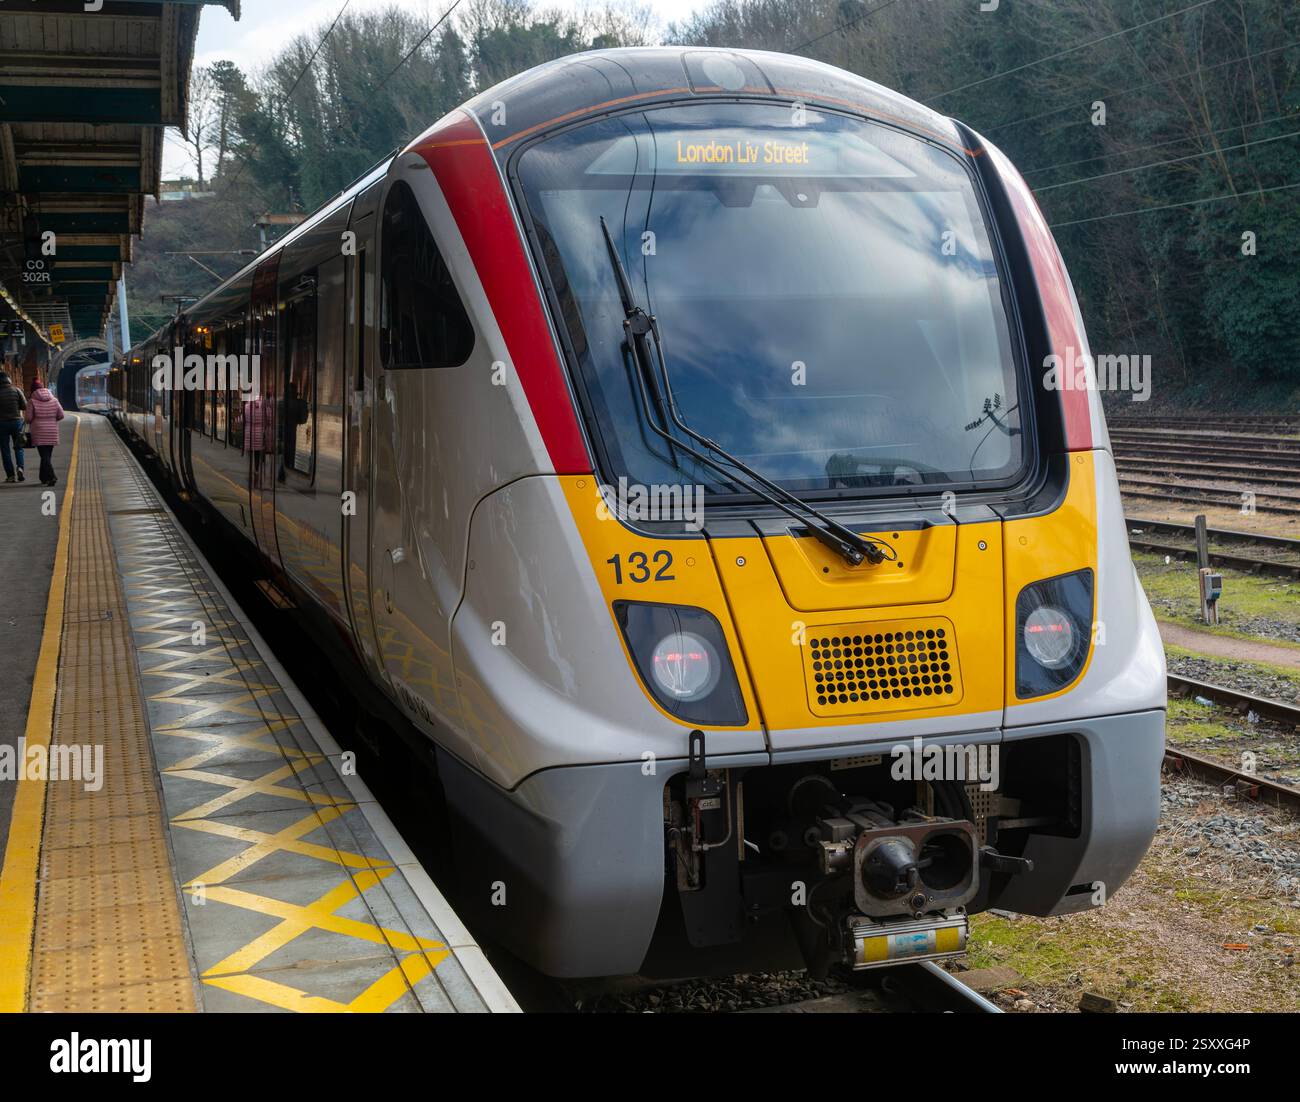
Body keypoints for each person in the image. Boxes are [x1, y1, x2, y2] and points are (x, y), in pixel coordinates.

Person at [24, 376, 65, 486]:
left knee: (44, 456)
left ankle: (52, 477)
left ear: (33, 390)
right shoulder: (54, 400)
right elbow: (61, 415)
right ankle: (43, 478)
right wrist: (52, 419)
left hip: (38, 431)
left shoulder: (32, 401)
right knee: (47, 456)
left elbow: (28, 419)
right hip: (52, 431)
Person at [0, 370, 26, 483]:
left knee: (5, 450)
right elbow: (24, 406)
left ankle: (10, 475)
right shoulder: (16, 390)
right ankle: (20, 467)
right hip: (16, 422)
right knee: (19, 447)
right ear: (9, 379)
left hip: (2, 424)